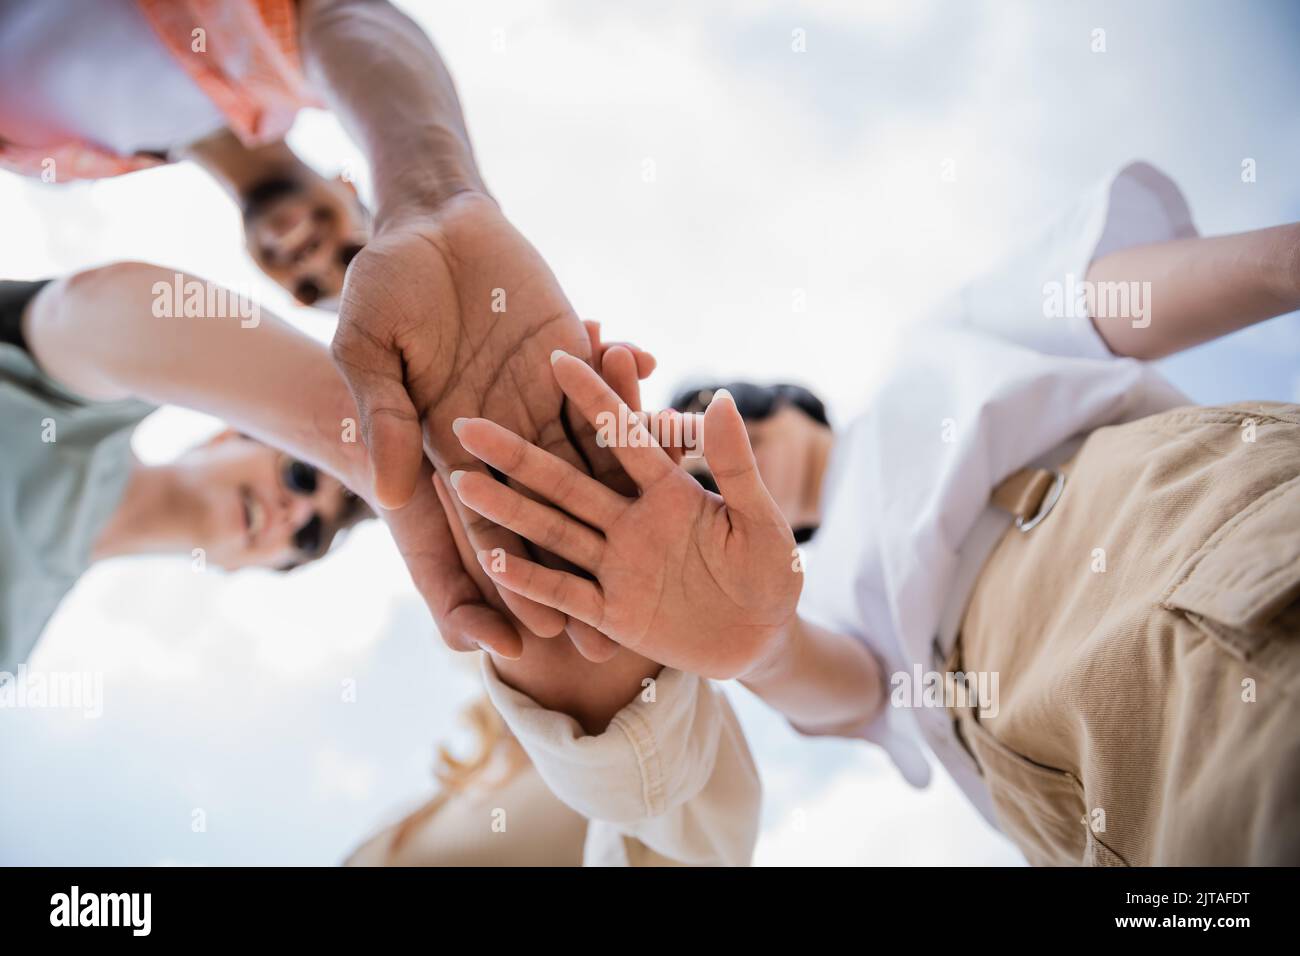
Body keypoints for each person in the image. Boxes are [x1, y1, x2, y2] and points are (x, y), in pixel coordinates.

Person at [445, 162, 1300, 865]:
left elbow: (1098, 304)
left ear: (783, 400)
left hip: (1141, 526)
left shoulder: (924, 360)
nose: (711, 451)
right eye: (692, 474)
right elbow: (859, 689)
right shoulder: (795, 594)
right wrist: (760, 641)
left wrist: (1281, 262)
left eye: (719, 412)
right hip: (1052, 790)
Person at [0, 0, 651, 662]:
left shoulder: (58, 155)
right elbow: (339, 20)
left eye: (308, 538)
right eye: (305, 475)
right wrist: (436, 198)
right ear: (231, 428)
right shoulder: (89, 408)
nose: (296, 512)